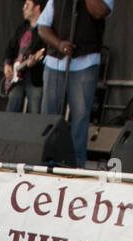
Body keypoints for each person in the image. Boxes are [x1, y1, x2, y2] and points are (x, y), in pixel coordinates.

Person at [37, 0, 114, 168]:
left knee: (80, 115)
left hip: (85, 62)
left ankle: (76, 162)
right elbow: (42, 27)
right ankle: (45, 157)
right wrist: (59, 44)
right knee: (49, 114)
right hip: (55, 62)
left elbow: (99, 11)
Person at [4, 0, 46, 114]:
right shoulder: (22, 27)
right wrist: (7, 64)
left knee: (35, 113)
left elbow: (46, 53)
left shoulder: (45, 29)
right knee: (11, 109)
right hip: (17, 77)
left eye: (27, 5)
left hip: (35, 78)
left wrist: (36, 61)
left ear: (37, 8)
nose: (23, 8)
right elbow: (10, 48)